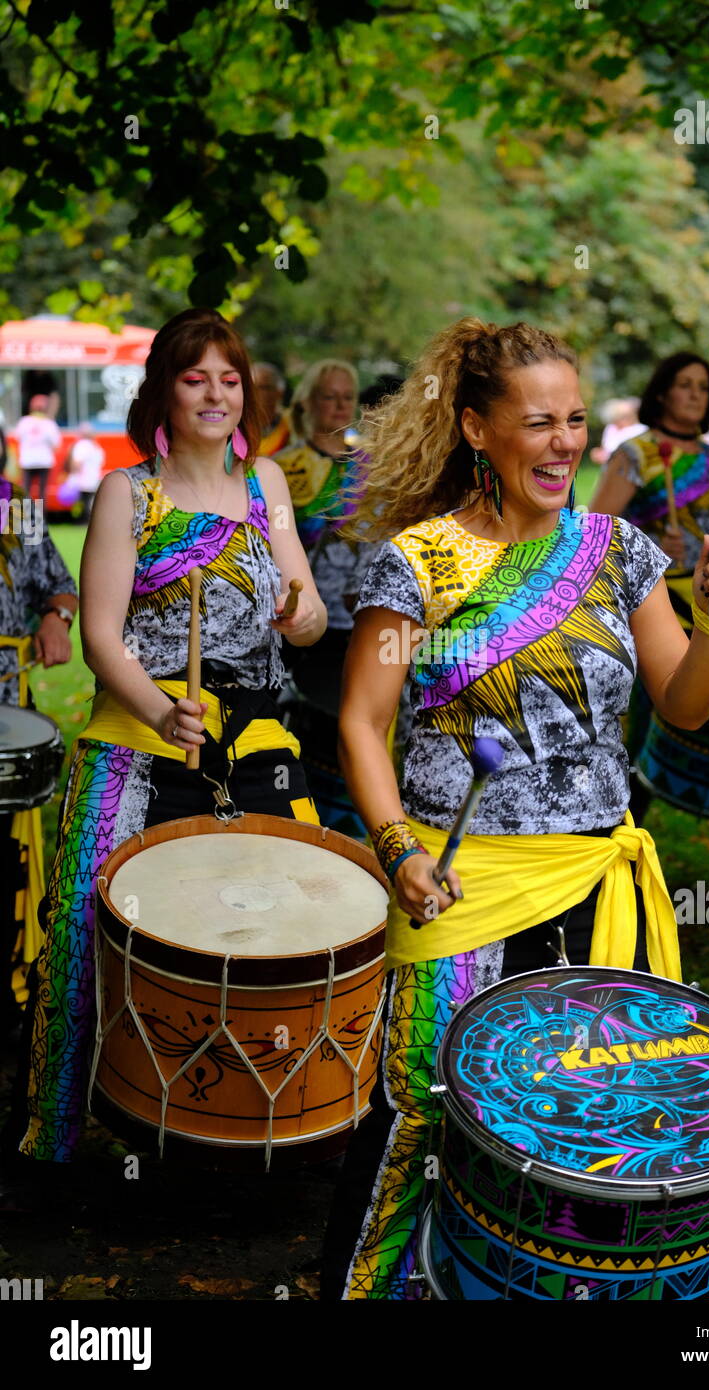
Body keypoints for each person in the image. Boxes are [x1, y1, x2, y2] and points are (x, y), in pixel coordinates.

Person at [320, 317, 709, 1299]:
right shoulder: (413, 563)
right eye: (537, 422)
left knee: (583, 1120)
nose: (563, 443)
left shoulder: (619, 550)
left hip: (594, 881)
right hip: (455, 880)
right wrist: (395, 850)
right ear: (476, 428)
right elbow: (360, 718)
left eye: (575, 422)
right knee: (421, 1109)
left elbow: (683, 701)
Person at [10, 307, 327, 1167]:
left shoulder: (268, 488)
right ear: (164, 392)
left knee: (282, 926)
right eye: (196, 378)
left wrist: (303, 613)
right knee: (91, 920)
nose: (217, 394)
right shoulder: (128, 492)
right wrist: (160, 710)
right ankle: (62, 1134)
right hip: (142, 739)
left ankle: (251, 1121)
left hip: (255, 738)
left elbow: (306, 611)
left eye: (230, 378)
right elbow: (99, 638)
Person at [590, 353, 709, 862]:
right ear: (661, 392)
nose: (693, 395)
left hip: (708, 605)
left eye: (702, 389)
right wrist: (652, 543)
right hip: (650, 603)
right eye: (682, 386)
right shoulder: (635, 454)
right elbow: (596, 529)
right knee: (646, 716)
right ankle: (619, 830)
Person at [273, 359, 367, 836]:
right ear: (307, 403)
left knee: (357, 726)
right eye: (328, 396)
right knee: (308, 728)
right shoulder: (282, 469)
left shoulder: (374, 467)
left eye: (346, 397)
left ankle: (350, 829)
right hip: (300, 621)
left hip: (363, 625)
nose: (338, 406)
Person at [0, 474, 77, 1037]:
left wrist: (57, 617)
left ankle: (9, 985)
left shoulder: (16, 509)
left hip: (6, 706)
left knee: (8, 858)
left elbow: (59, 584)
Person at [9, 396, 62, 504]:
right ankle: (40, 518)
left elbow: (17, 437)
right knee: (42, 491)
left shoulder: (24, 421)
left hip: (27, 460)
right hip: (44, 460)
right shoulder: (49, 423)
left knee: (26, 490)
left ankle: (28, 517)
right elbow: (56, 443)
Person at [63, 424, 105, 521]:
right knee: (88, 502)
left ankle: (80, 522)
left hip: (81, 479)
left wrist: (72, 475)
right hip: (93, 479)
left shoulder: (81, 445)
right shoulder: (97, 447)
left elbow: (76, 463)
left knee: (81, 502)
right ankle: (86, 522)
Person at [252, 361, 292, 456]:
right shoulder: (233, 427)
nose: (253, 393)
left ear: (279, 392)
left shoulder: (292, 423)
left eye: (262, 387)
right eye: (249, 387)